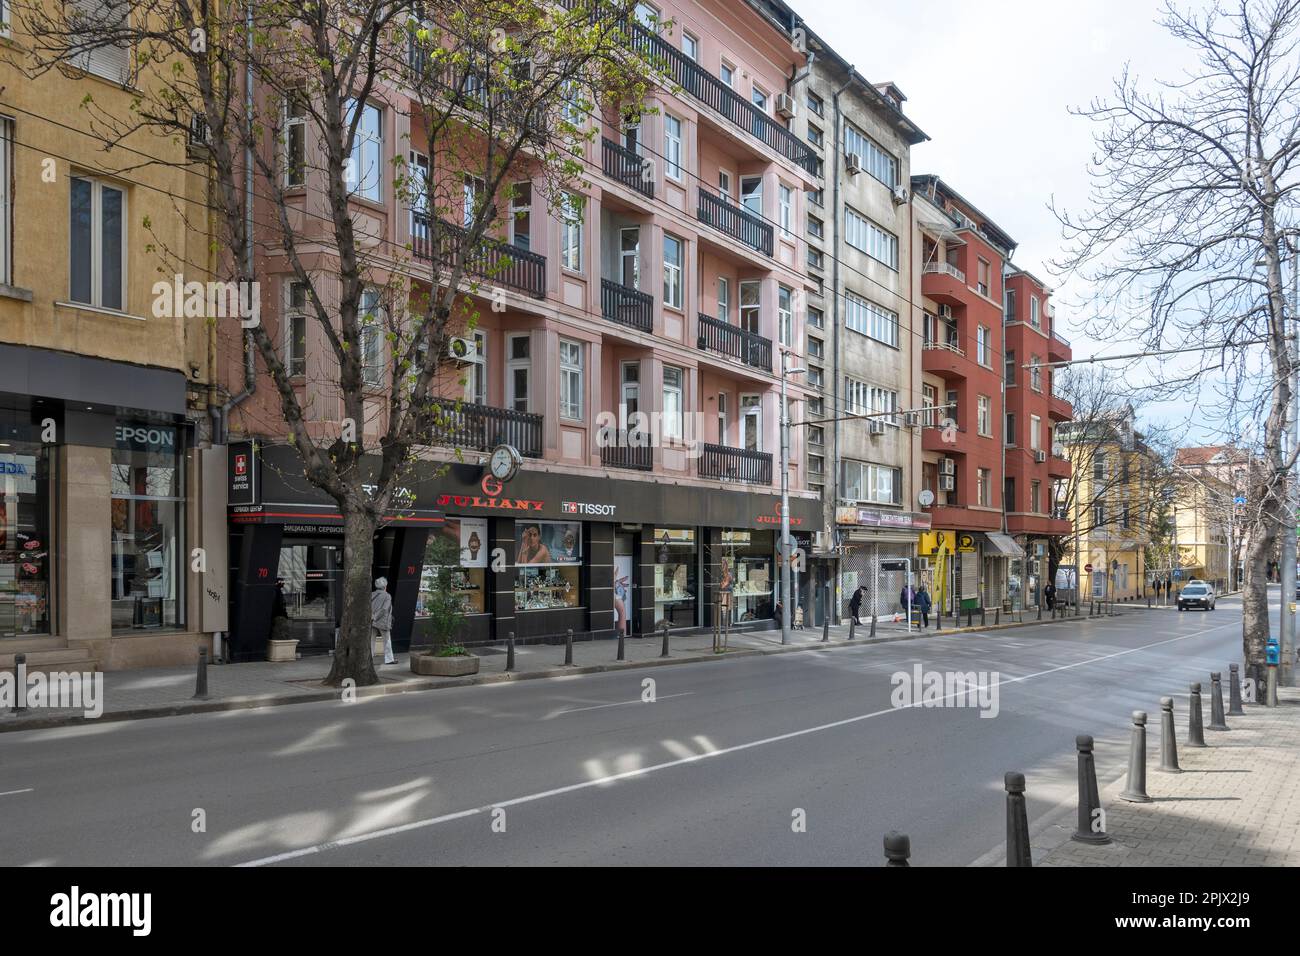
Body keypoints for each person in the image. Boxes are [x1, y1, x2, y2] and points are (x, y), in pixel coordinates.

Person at [371, 576, 395, 665]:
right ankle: (389, 659)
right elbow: (385, 609)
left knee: (371, 640)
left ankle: (369, 658)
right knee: (387, 640)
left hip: (371, 621)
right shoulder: (387, 596)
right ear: (385, 586)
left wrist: (372, 617)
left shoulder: (371, 594)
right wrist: (375, 617)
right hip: (383, 621)